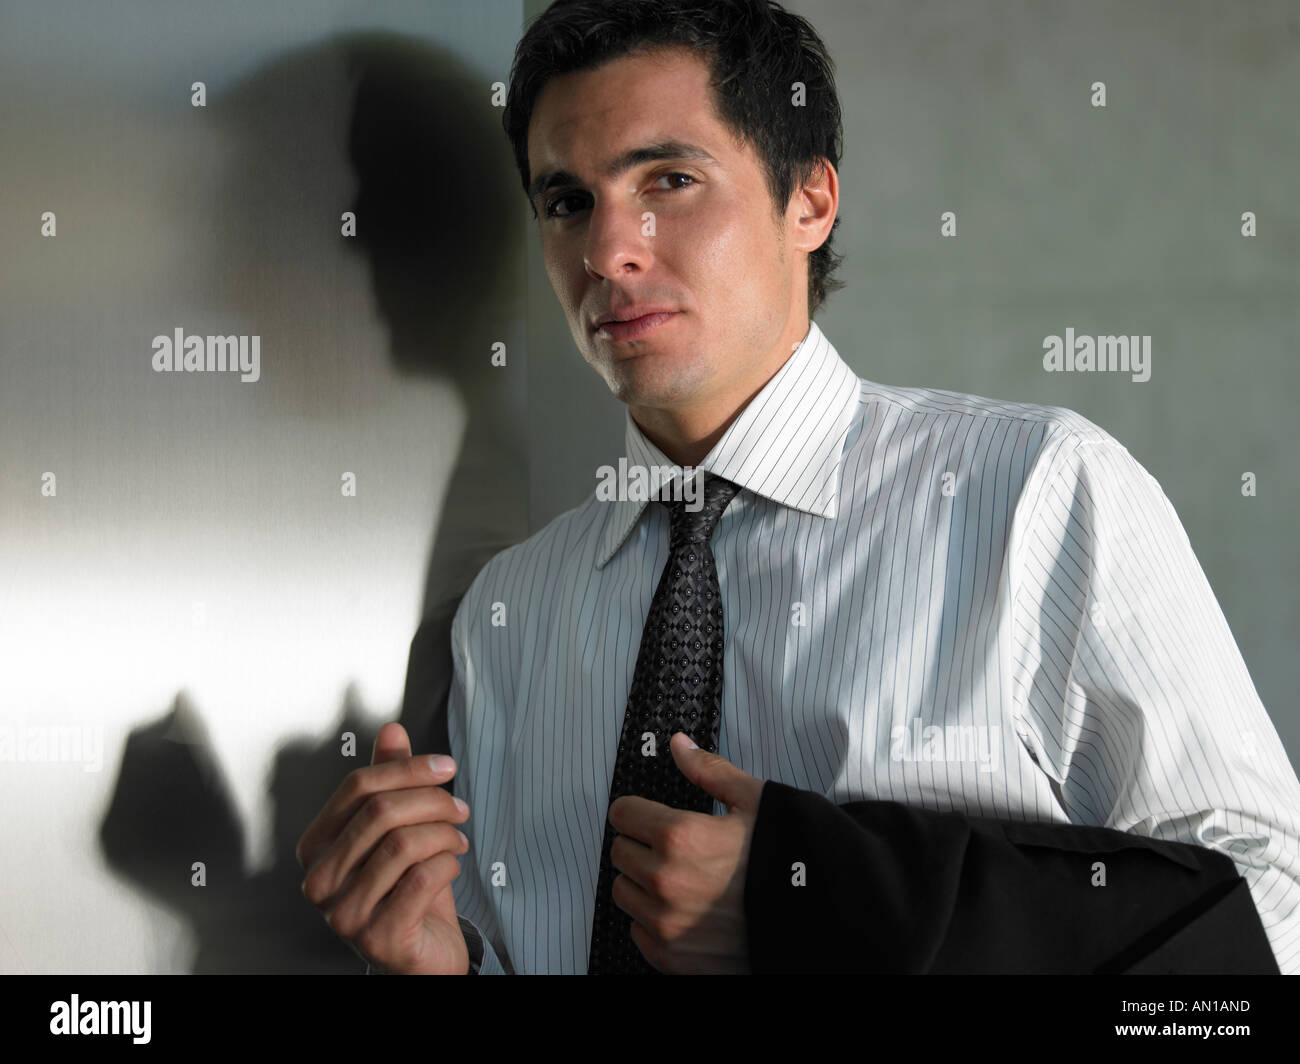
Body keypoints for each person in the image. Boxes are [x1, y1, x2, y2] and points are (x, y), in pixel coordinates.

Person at [296, 0, 1300, 975]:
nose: (609, 252)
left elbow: (1272, 914)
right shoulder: (509, 610)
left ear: (809, 200)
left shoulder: (1035, 496)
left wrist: (821, 901)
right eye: (567, 202)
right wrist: (441, 965)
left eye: (670, 179)